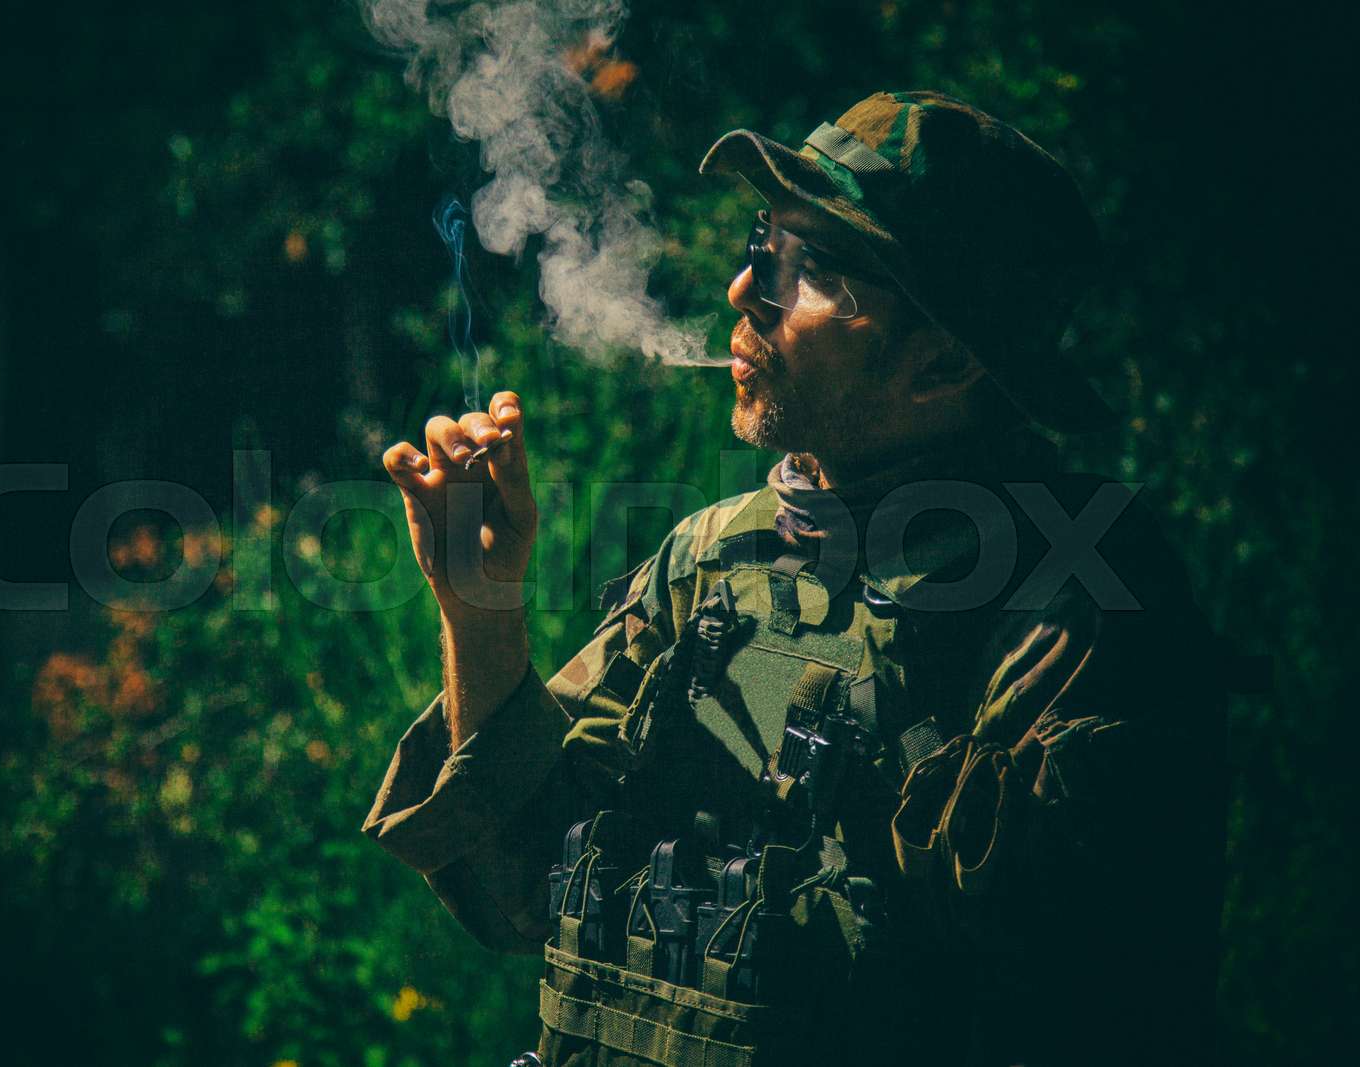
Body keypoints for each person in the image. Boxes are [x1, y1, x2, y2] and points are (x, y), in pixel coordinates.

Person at [365, 91, 1225, 1065]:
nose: (743, 289)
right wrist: (479, 611)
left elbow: (1063, 961)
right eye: (760, 241)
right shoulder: (710, 555)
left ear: (941, 359)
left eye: (807, 267)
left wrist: (798, 695)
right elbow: (522, 886)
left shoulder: (1075, 599)